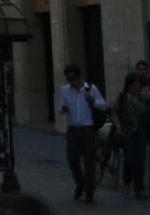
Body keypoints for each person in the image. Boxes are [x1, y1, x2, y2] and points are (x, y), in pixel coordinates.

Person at [59, 61, 106, 204]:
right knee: (72, 160)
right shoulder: (65, 90)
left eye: (73, 79)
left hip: (88, 129)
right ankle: (80, 184)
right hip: (72, 129)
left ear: (79, 77)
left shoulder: (90, 88)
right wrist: (63, 109)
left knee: (89, 162)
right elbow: (60, 108)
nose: (71, 82)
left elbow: (103, 105)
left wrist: (93, 100)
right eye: (68, 79)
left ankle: (89, 192)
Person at [115, 71, 147, 197]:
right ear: (129, 85)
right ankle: (127, 181)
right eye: (134, 84)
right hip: (127, 132)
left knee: (140, 160)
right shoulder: (122, 97)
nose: (137, 87)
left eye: (138, 84)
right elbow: (114, 111)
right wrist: (118, 127)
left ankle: (139, 188)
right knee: (130, 158)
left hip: (141, 132)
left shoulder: (143, 98)